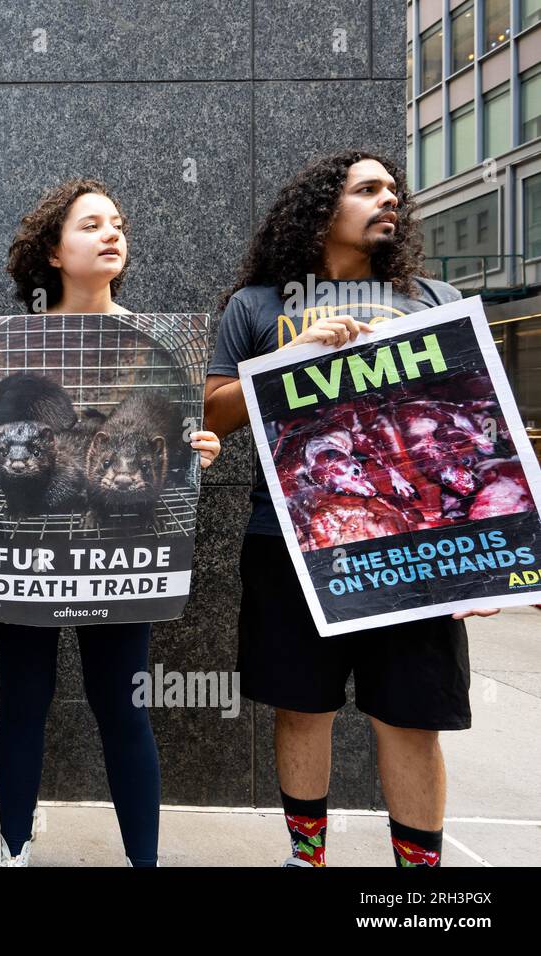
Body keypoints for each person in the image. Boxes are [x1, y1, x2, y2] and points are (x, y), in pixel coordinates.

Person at [203, 151, 499, 868]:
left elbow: (483, 431)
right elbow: (212, 412)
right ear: (321, 209)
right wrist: (288, 358)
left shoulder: (433, 298)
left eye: (393, 190)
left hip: (414, 549)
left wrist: (492, 556)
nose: (388, 199)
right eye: (367, 189)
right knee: (302, 708)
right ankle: (308, 862)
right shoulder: (259, 306)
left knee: (410, 718)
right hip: (289, 543)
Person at [0, 179, 222, 866]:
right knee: (22, 699)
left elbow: (174, 455)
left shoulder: (155, 344)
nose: (112, 235)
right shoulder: (7, 342)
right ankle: (14, 846)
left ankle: (144, 859)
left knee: (122, 706)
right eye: (91, 225)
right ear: (52, 250)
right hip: (24, 559)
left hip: (123, 563)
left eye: (119, 225)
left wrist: (198, 455)